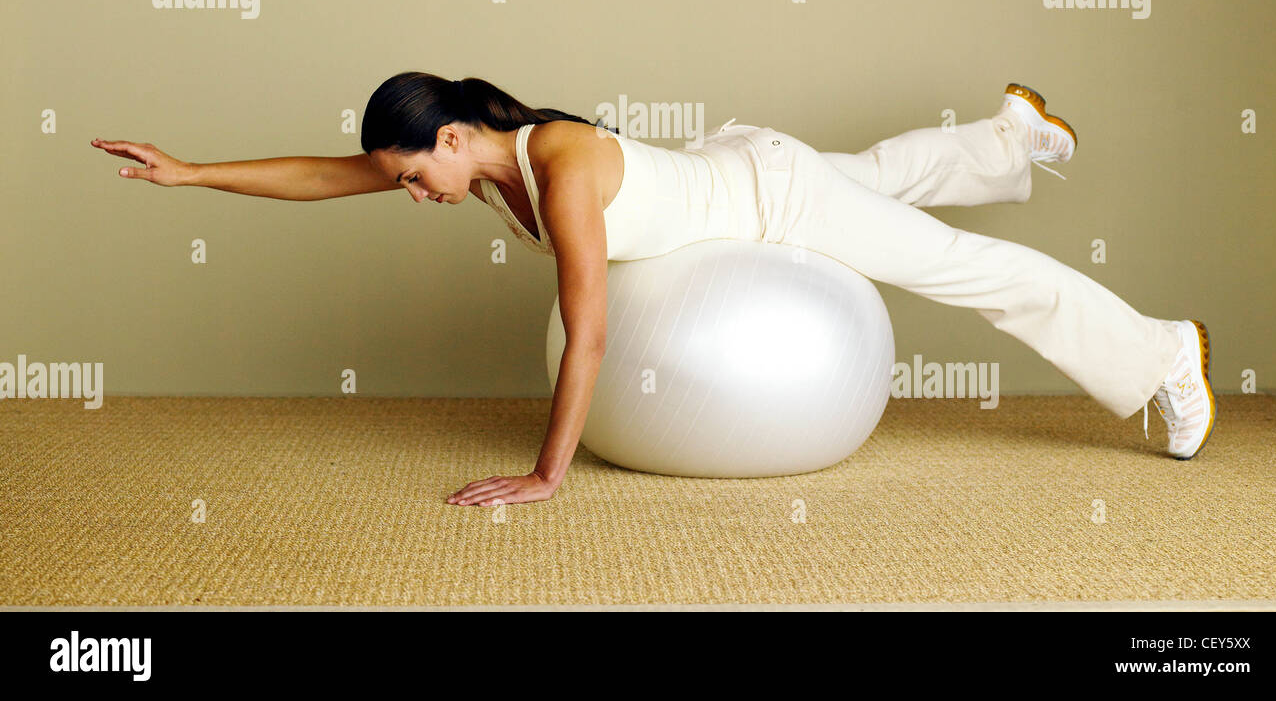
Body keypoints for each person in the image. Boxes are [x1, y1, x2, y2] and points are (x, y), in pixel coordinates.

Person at [91, 73, 1216, 506]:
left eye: (410, 174)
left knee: (961, 270)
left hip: (767, 200)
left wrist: (546, 474)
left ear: (449, 136)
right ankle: (1010, 141)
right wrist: (190, 171)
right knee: (877, 177)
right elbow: (326, 174)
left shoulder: (560, 168)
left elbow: (588, 335)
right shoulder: (470, 162)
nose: (406, 194)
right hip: (732, 165)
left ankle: (1161, 352)